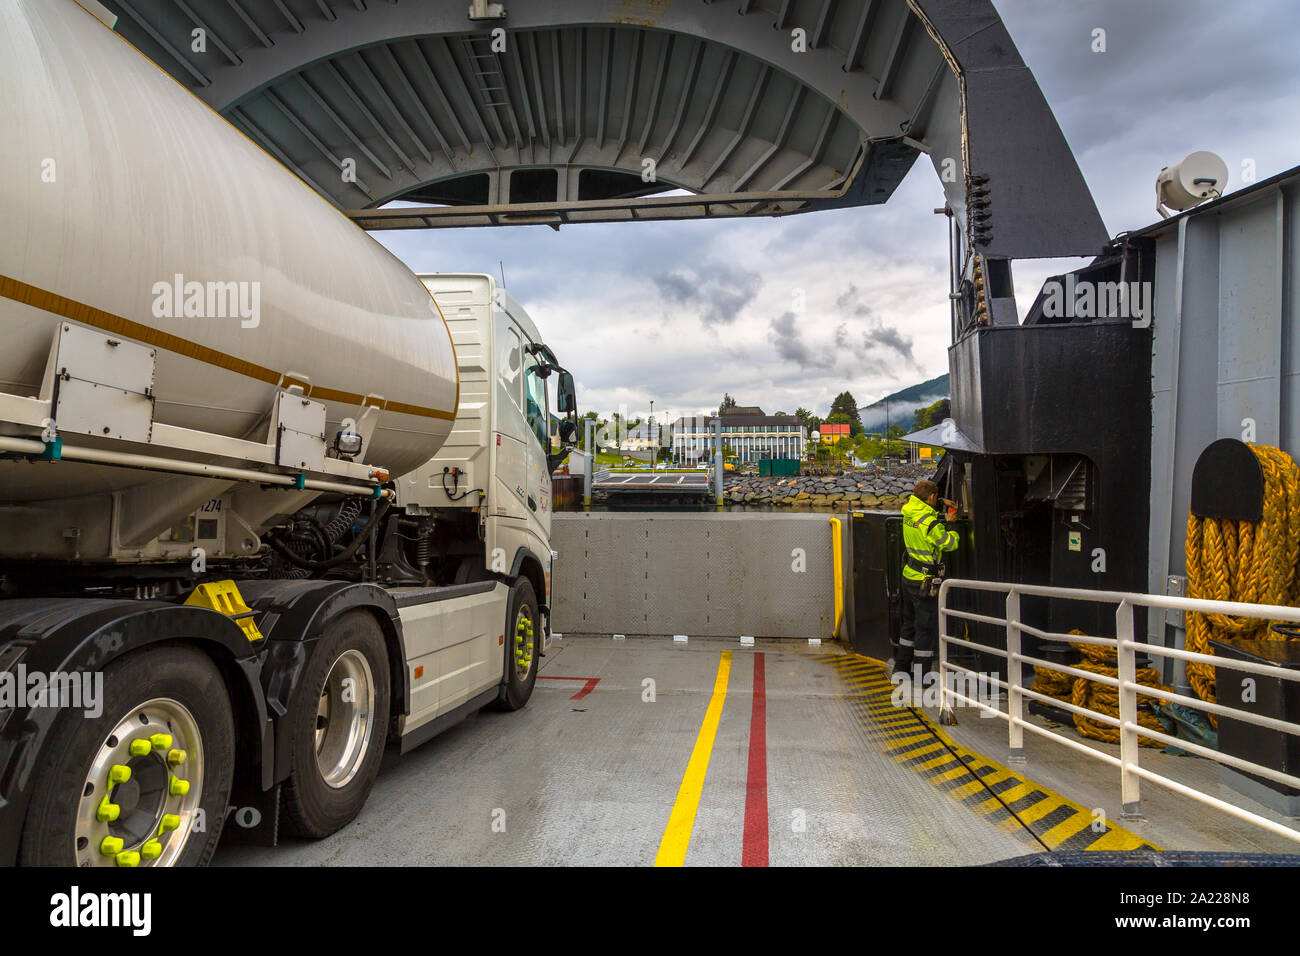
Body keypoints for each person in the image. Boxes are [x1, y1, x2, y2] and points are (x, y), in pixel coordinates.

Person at [894, 479, 960, 679]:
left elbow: (924, 515)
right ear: (931, 497)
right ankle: (923, 676)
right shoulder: (930, 523)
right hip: (925, 580)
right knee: (925, 628)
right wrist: (952, 526)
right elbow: (949, 544)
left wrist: (941, 505)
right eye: (935, 497)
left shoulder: (909, 512)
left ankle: (901, 668)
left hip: (909, 576)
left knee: (909, 625)